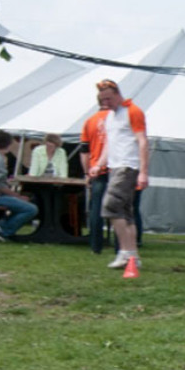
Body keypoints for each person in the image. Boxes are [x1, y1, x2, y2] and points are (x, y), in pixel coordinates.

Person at [90, 79, 148, 271]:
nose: (105, 103)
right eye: (101, 100)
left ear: (117, 94)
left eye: (107, 98)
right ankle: (133, 257)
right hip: (115, 167)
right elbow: (110, 143)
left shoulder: (133, 111)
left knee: (110, 207)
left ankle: (125, 252)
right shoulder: (109, 117)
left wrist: (143, 172)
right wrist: (99, 164)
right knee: (126, 214)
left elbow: (142, 141)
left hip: (128, 166)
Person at [80, 98, 110, 254]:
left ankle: (95, 245)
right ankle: (121, 247)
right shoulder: (116, 120)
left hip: (97, 170)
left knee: (96, 209)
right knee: (120, 209)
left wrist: (87, 172)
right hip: (116, 169)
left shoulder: (89, 121)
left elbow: (84, 151)